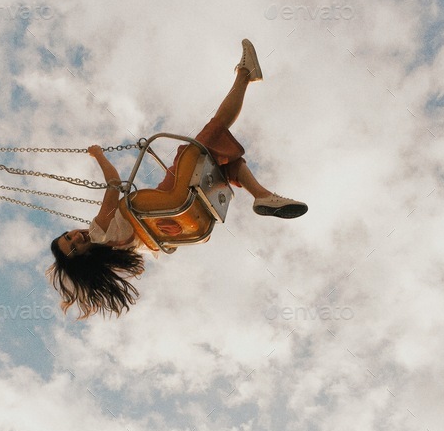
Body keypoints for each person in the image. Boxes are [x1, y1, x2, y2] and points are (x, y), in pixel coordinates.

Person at [48, 39, 307, 318]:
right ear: (82, 259)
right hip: (167, 202)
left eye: (68, 236)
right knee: (209, 135)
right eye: (74, 247)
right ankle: (245, 74)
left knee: (225, 163)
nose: (76, 237)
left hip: (171, 207)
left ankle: (262, 196)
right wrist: (98, 155)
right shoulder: (100, 232)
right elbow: (113, 184)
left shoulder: (122, 256)